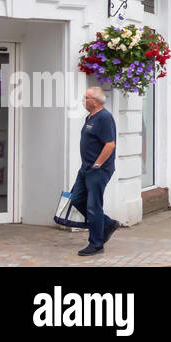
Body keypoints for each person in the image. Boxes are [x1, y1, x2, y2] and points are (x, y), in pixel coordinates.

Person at [70, 86, 119, 256]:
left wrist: (97, 164)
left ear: (95, 101)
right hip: (86, 168)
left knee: (93, 206)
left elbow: (110, 144)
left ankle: (96, 244)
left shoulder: (104, 118)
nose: (83, 100)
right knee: (76, 199)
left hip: (98, 170)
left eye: (86, 97)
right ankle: (106, 224)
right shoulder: (89, 117)